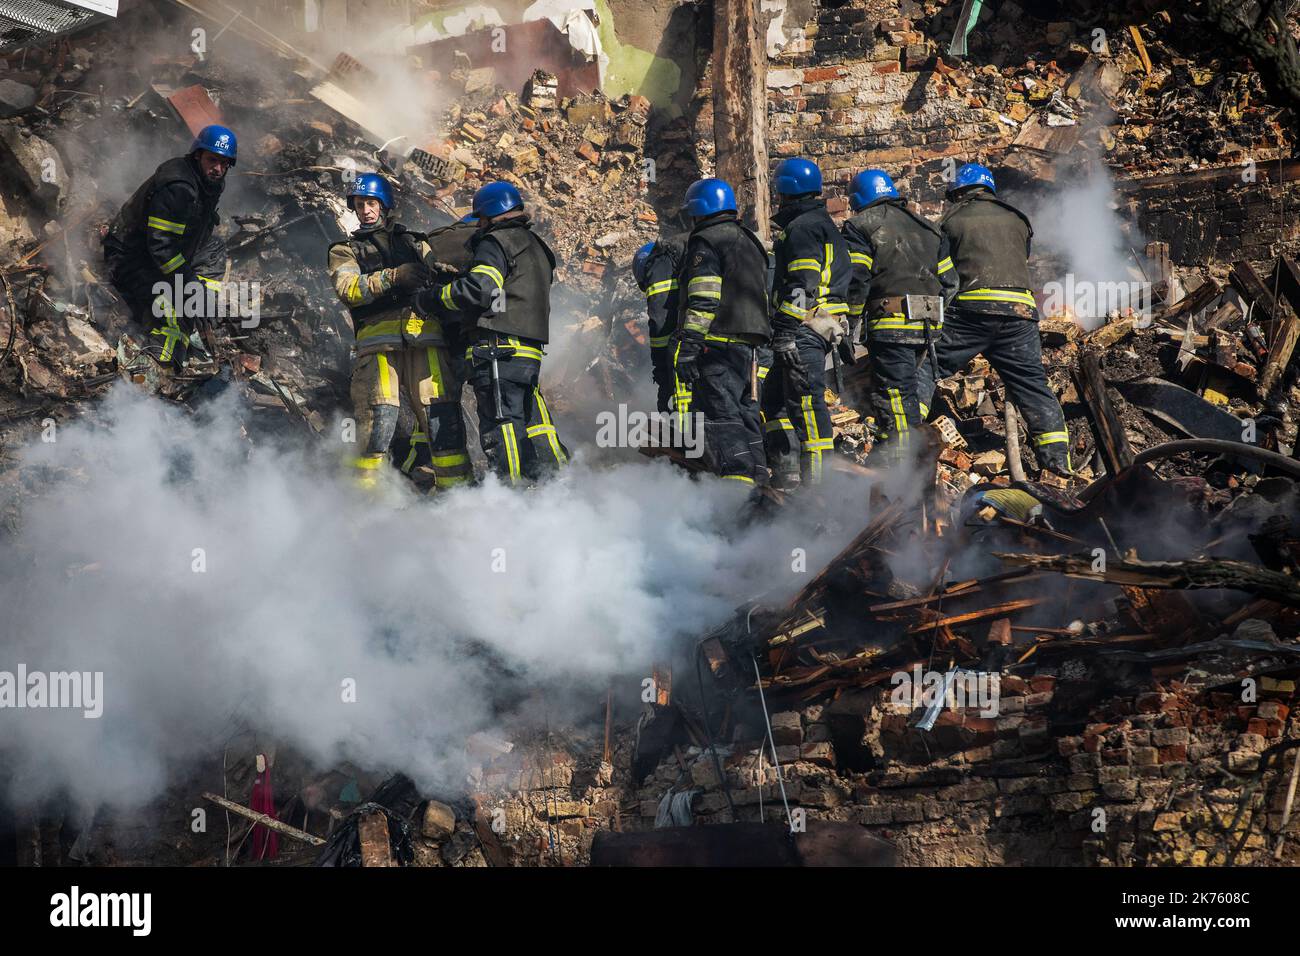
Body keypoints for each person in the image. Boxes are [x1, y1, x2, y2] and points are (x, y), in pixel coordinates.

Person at [916, 163, 1072, 477]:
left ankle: (906, 441)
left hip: (972, 312)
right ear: (989, 190)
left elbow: (941, 273)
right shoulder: (1018, 218)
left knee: (926, 367)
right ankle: (1058, 468)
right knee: (1034, 389)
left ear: (959, 192)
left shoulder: (950, 220)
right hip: (1020, 315)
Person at [326, 173, 472, 490]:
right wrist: (394, 276)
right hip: (378, 347)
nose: (365, 210)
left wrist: (444, 274)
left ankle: (460, 500)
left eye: (371, 203)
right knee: (378, 421)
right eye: (360, 204)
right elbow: (348, 288)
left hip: (425, 339)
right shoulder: (345, 250)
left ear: (384, 205)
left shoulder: (414, 242)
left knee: (442, 418)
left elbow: (438, 271)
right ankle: (363, 501)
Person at [419, 181, 568, 485]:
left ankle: (510, 497)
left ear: (486, 215)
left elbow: (481, 288)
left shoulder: (495, 241)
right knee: (534, 421)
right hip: (529, 349)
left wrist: (434, 297)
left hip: (499, 347)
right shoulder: (537, 246)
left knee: (503, 426)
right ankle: (560, 487)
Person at [841, 168, 957, 465]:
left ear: (858, 199)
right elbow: (950, 282)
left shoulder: (859, 226)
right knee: (907, 392)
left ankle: (902, 465)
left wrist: (850, 323)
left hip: (890, 326)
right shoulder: (929, 228)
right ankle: (900, 453)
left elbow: (858, 279)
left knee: (892, 394)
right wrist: (935, 315)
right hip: (928, 327)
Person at [103, 124, 235, 369]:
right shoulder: (179, 188)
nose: (218, 169)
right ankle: (162, 368)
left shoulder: (208, 182)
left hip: (163, 252)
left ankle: (203, 305)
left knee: (215, 249)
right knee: (179, 315)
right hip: (130, 257)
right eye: (212, 160)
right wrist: (191, 287)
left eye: (224, 163)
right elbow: (161, 248)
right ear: (198, 155)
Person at [673, 178, 771, 486]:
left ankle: (738, 496)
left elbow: (704, 298)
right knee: (747, 420)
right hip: (751, 351)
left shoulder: (707, 240)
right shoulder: (750, 241)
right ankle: (761, 490)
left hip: (717, 350)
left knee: (722, 421)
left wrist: (689, 347)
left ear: (699, 211)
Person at [765, 157, 852, 485]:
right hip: (816, 328)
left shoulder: (802, 228)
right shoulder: (820, 223)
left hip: (804, 329)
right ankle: (786, 470)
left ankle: (817, 489)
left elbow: (804, 286)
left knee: (806, 405)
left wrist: (785, 332)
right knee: (773, 399)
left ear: (785, 192)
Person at [632, 238, 685, 418]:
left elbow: (660, 321)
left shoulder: (657, 265)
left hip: (690, 343)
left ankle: (688, 438)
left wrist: (661, 368)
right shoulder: (680, 258)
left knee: (685, 403)